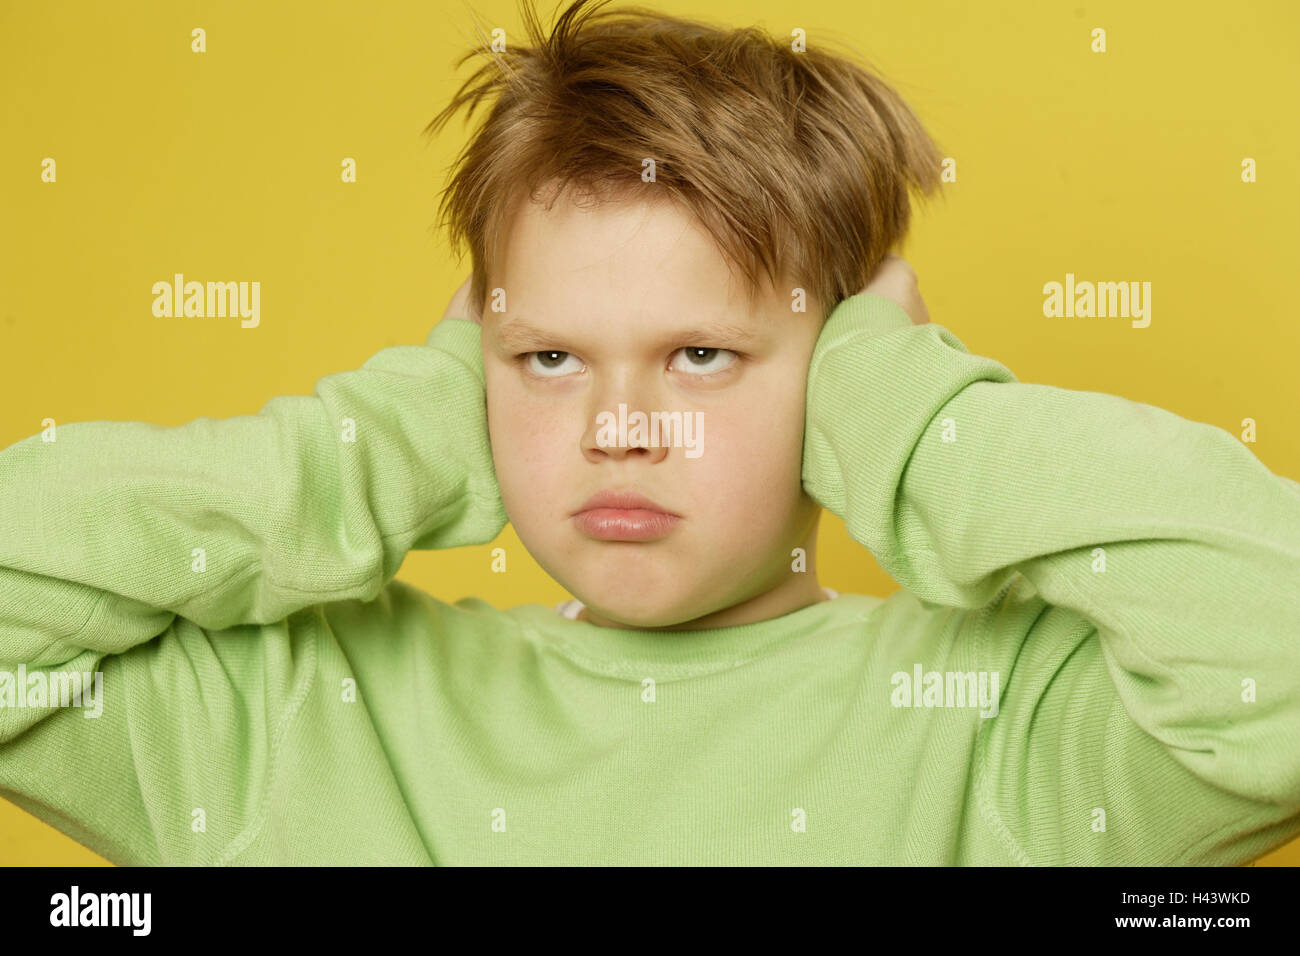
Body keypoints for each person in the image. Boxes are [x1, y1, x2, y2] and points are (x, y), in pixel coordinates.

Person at [2, 0, 1297, 865]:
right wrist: (389, 439)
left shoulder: (1005, 728)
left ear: (839, 361)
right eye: (549, 357)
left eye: (702, 355)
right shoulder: (294, 714)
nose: (617, 428)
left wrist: (914, 416)